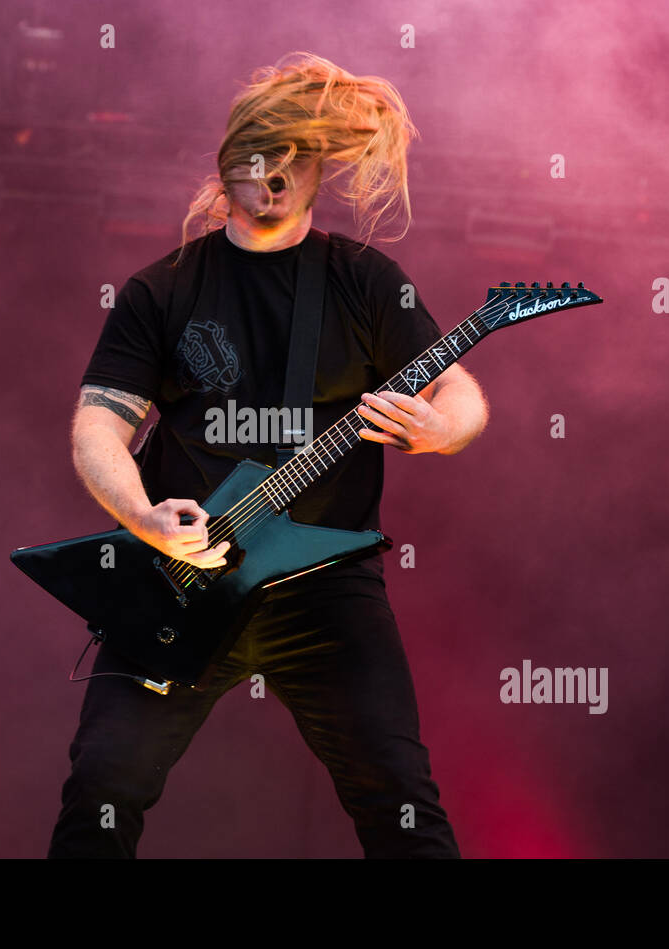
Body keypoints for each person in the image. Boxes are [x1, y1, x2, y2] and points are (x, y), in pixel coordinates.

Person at [48, 52, 489, 858]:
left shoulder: (362, 279)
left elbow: (459, 393)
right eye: (259, 157)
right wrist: (144, 518)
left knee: (397, 796)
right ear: (228, 163)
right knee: (103, 785)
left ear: (321, 168)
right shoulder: (164, 288)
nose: (274, 178)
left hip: (326, 590)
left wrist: (438, 429)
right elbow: (95, 428)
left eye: (295, 159)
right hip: (181, 581)